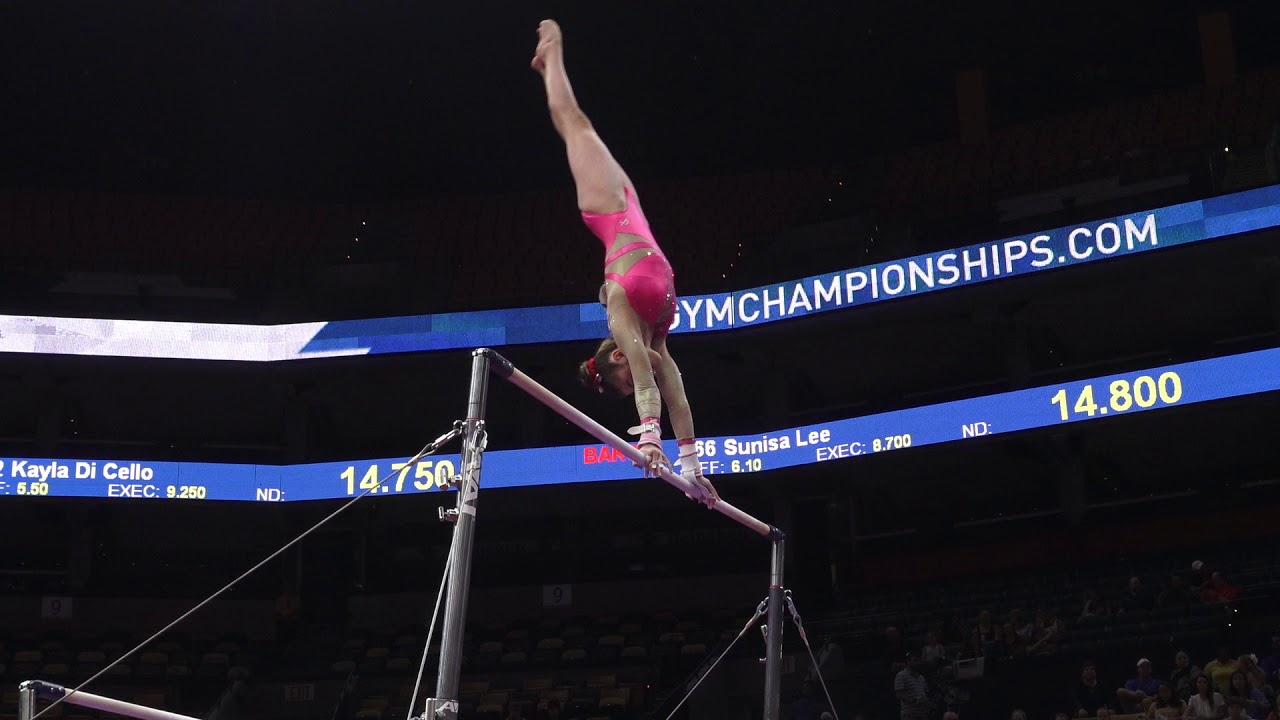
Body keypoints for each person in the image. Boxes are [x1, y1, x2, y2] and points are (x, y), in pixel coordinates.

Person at [531, 19, 719, 507]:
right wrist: (693, 468)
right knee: (577, 125)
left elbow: (645, 383)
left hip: (608, 209)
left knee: (574, 122)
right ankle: (550, 61)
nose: (652, 372)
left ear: (614, 355)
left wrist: (650, 441)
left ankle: (551, 55)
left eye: (629, 371)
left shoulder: (622, 313)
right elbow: (676, 396)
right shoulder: (659, 333)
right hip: (629, 205)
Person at [894, 653, 931, 720]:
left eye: (919, 661)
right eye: (915, 660)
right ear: (908, 662)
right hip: (909, 714)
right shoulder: (901, 675)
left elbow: (925, 693)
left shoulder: (921, 678)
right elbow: (899, 694)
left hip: (923, 713)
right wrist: (914, 700)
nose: (918, 663)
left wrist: (926, 701)